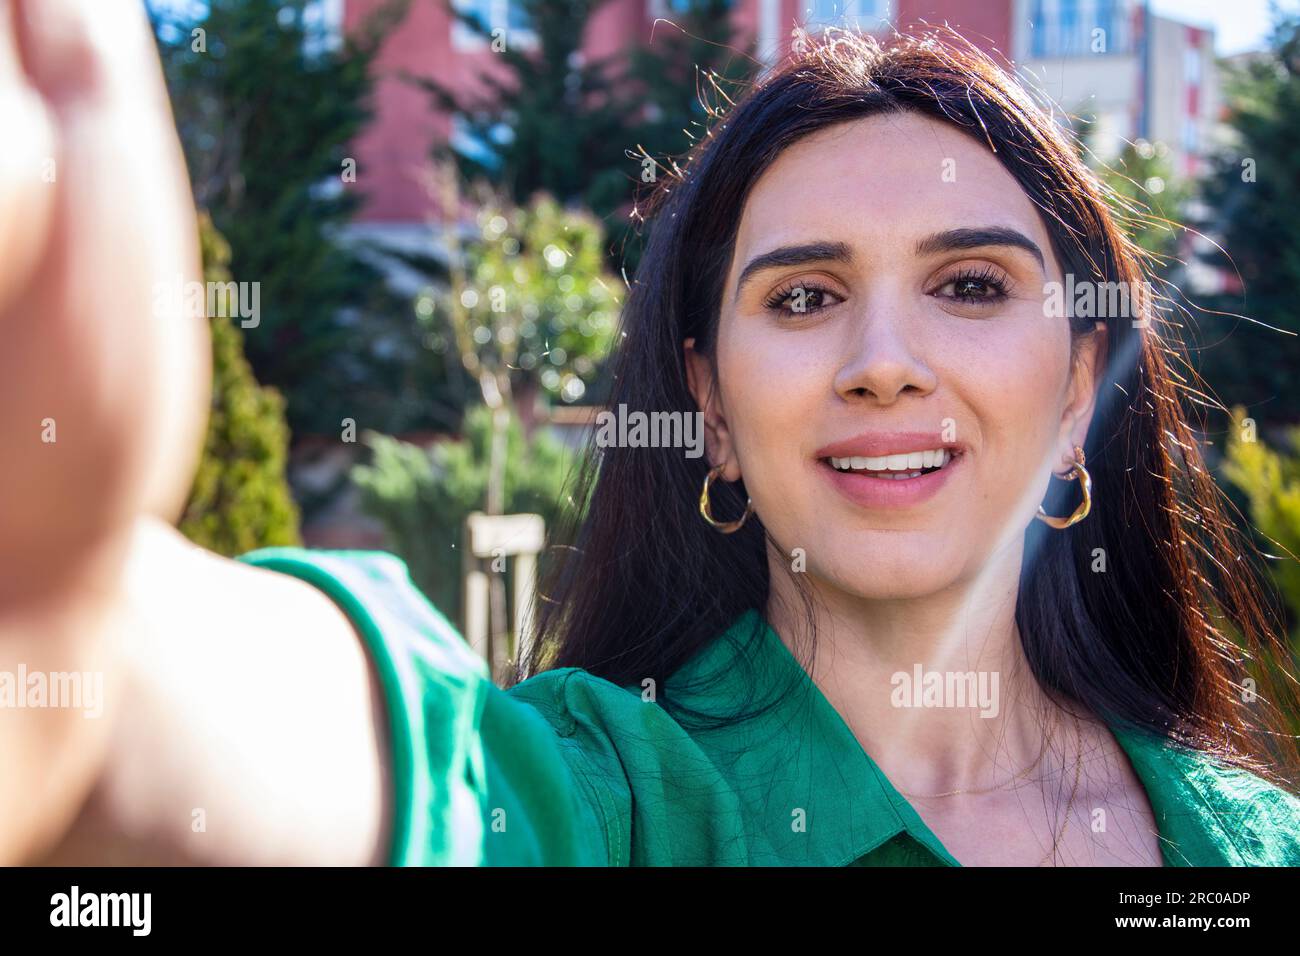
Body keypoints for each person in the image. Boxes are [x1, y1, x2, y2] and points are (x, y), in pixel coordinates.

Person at [5, 0, 1299, 866]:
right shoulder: (599, 803)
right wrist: (79, 615)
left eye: (969, 286)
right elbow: (264, 747)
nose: (885, 366)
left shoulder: (1249, 845)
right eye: (802, 296)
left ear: (1079, 392)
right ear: (711, 415)